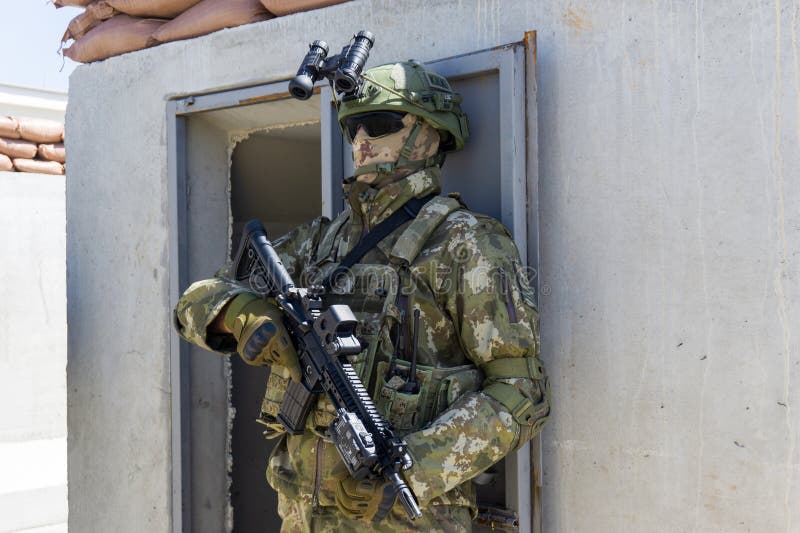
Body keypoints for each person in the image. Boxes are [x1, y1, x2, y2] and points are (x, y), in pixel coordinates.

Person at [173, 60, 550, 532]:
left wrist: (414, 469)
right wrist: (237, 312)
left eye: (381, 123)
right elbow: (193, 302)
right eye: (353, 127)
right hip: (301, 515)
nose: (361, 141)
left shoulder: (465, 243)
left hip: (403, 518)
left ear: (431, 134)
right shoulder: (322, 242)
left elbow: (521, 392)